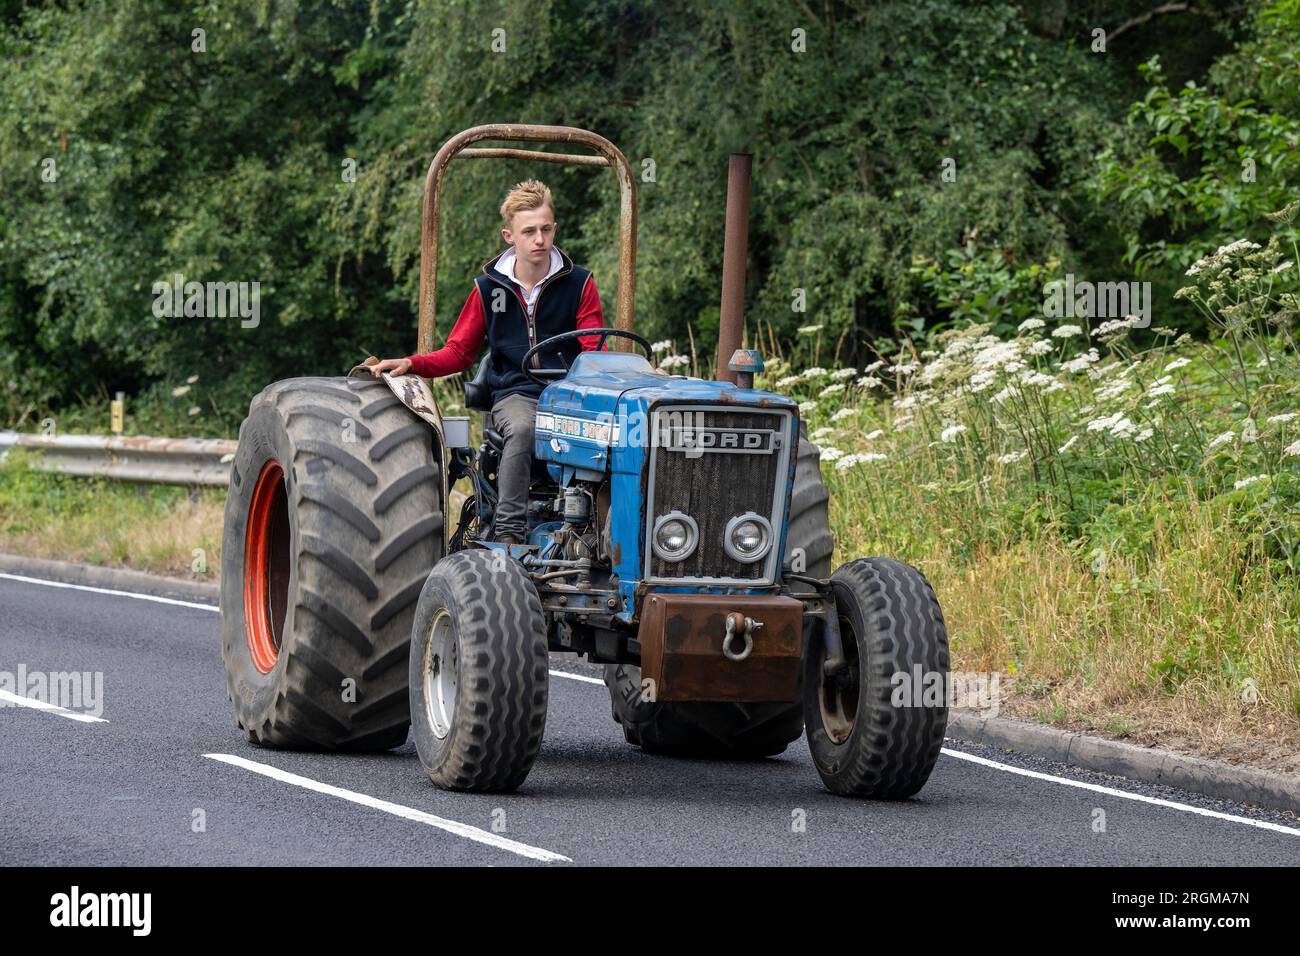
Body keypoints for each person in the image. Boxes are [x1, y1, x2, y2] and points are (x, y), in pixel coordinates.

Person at [369, 179, 606, 545]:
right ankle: (509, 532)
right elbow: (459, 352)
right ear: (509, 235)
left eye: (546, 229)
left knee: (620, 432)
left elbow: (593, 350)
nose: (539, 239)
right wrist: (413, 363)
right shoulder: (489, 289)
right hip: (517, 394)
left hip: (572, 393)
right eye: (529, 231)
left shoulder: (579, 283)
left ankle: (604, 533)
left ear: (554, 229)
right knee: (526, 428)